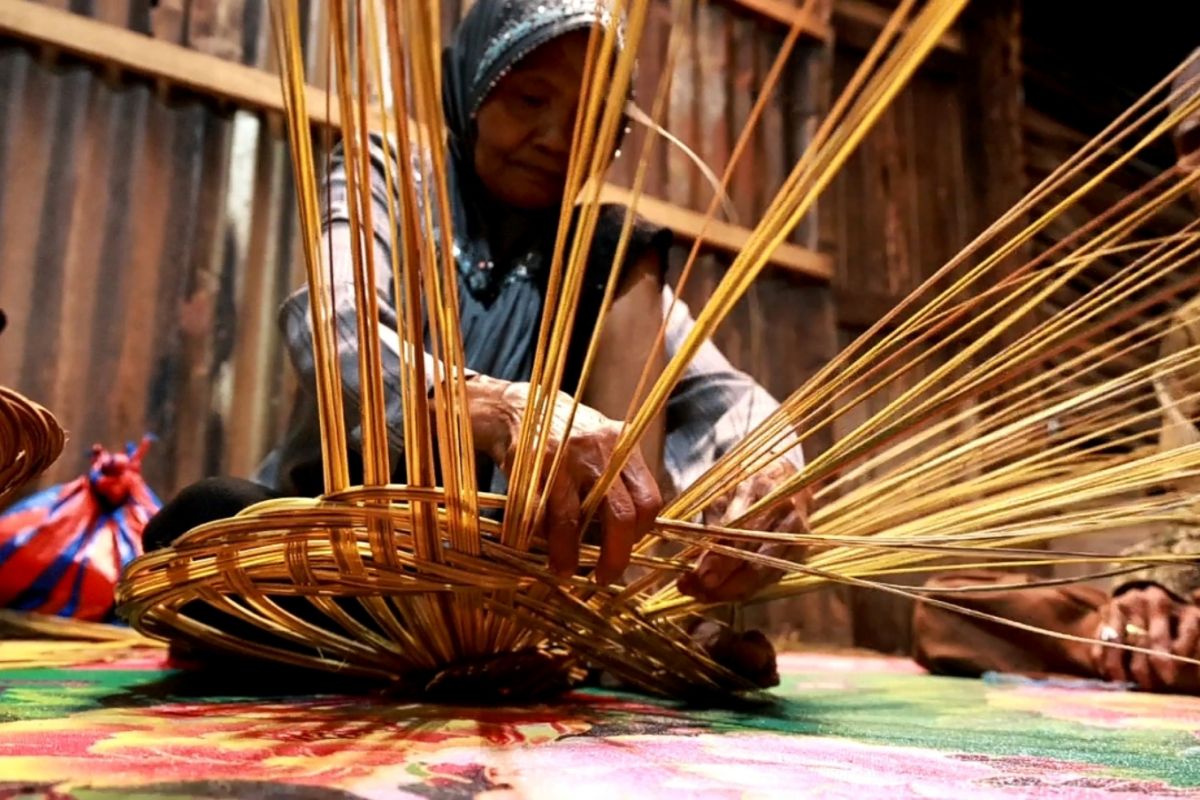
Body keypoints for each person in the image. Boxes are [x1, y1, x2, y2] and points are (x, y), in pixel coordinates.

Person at [144, 0, 809, 686]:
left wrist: (771, 477)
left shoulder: (604, 262)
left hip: (519, 573)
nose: (558, 138)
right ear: (474, 84)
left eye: (593, 121)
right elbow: (332, 323)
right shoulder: (394, 177)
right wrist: (494, 409)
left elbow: (723, 395)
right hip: (357, 554)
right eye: (531, 100)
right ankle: (523, 639)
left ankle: (603, 617)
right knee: (203, 521)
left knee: (624, 239)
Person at [912, 52, 1200, 694]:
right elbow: (1188, 508)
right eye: (1186, 145)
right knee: (952, 606)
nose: (1191, 167)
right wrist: (1154, 592)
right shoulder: (1193, 328)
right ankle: (1144, 651)